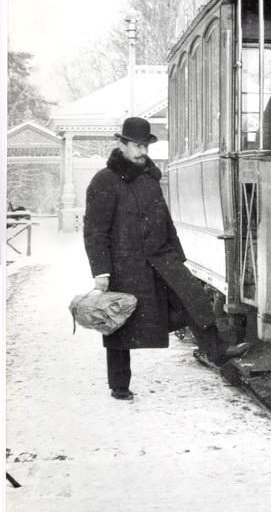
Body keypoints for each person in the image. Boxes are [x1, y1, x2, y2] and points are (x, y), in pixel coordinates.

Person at [83, 117, 248, 401]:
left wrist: (178, 258)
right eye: (136, 145)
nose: (142, 152)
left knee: (193, 299)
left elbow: (165, 220)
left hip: (162, 258)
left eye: (145, 146)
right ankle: (119, 385)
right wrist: (102, 272)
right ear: (121, 144)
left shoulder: (149, 179)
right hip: (126, 265)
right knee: (118, 322)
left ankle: (220, 354)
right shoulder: (104, 181)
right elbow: (95, 232)